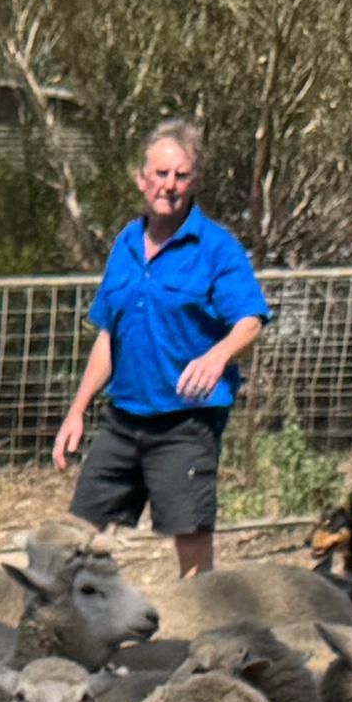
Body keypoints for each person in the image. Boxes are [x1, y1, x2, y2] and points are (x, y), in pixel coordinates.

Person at [50, 122, 270, 575]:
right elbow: (108, 336)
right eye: (162, 173)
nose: (170, 185)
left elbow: (250, 321)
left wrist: (217, 355)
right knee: (76, 538)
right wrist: (76, 411)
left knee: (191, 550)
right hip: (124, 421)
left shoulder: (216, 248)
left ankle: (200, 640)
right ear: (141, 178)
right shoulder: (125, 244)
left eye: (181, 175)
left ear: (193, 182)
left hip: (186, 424)